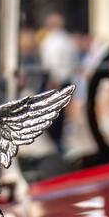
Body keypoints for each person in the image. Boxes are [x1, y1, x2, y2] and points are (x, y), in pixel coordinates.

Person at [38, 14, 78, 152]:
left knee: (53, 114)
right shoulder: (66, 39)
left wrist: (54, 80)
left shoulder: (54, 40)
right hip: (64, 79)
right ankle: (59, 143)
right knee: (60, 114)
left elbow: (53, 61)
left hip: (54, 80)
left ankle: (56, 145)